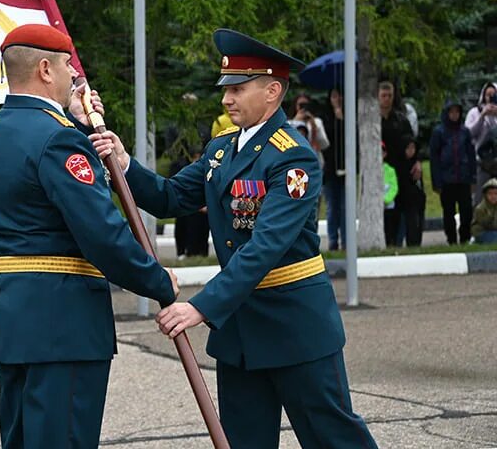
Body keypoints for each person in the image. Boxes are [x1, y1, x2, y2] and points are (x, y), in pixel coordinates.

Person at [91, 28, 378, 448]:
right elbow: (169, 197)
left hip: (293, 326)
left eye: (239, 89)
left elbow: (264, 248)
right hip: (240, 335)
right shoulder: (221, 149)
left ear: (272, 91)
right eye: (226, 88)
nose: (226, 99)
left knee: (332, 438)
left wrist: (200, 308)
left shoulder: (294, 157)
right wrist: (124, 162)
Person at [0, 23, 179, 448]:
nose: (75, 78)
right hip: (61, 321)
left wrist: (81, 127)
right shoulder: (58, 139)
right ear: (45, 69)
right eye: (69, 67)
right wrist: (158, 281)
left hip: (13, 318)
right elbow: (101, 233)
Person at [430, 100, 476, 245]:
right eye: (452, 112)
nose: (454, 115)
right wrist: (436, 182)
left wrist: (472, 177)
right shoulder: (439, 132)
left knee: (466, 211)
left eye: (457, 112)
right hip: (446, 180)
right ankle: (451, 239)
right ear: (447, 113)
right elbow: (434, 158)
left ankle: (465, 237)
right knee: (448, 212)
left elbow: (471, 155)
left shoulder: (465, 132)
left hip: (463, 179)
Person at [379, 80, 418, 246]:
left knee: (408, 207)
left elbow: (412, 142)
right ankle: (389, 242)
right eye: (383, 96)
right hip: (383, 172)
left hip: (402, 169)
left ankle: (411, 243)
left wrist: (415, 159)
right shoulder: (372, 121)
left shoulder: (401, 119)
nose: (387, 99)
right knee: (388, 211)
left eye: (390, 96)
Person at [169, 146, 210, 259]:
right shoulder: (180, 166)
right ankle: (183, 252)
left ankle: (201, 252)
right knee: (184, 229)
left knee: (201, 231)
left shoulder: (208, 165)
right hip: (186, 206)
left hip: (202, 208)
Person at [321, 87, 346, 251]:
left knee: (345, 207)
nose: (337, 100)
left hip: (345, 167)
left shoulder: (348, 116)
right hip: (330, 170)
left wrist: (341, 118)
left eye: (339, 96)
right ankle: (332, 240)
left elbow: (347, 137)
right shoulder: (325, 118)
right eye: (334, 96)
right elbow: (325, 141)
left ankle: (346, 241)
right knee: (332, 207)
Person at [465, 82, 497, 203]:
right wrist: (482, 115)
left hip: (496, 160)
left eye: (494, 95)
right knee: (478, 198)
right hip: (480, 162)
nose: (490, 98)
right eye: (488, 95)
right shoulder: (474, 112)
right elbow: (469, 133)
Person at [289, 92, 329, 170]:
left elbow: (324, 144)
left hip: (314, 161)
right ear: (295, 106)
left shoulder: (317, 122)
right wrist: (296, 121)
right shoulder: (289, 123)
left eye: (305, 105)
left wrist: (314, 127)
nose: (303, 108)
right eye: (300, 105)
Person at [402, 139, 426, 246]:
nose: (411, 151)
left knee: (418, 222)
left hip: (418, 197)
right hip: (406, 198)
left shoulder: (416, 165)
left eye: (413, 148)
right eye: (408, 148)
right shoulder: (402, 165)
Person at [382, 142, 400, 246]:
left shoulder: (390, 170)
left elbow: (394, 187)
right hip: (377, 208)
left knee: (389, 229)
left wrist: (386, 199)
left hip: (388, 206)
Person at [471, 178, 497, 244]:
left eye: (496, 193)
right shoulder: (480, 208)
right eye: (490, 194)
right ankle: (476, 241)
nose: (493, 196)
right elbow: (489, 225)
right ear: (485, 195)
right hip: (482, 232)